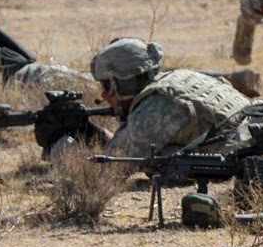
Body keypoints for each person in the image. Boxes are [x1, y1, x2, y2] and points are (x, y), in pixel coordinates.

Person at [92, 37, 252, 159]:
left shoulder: (155, 108)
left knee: (162, 162)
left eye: (106, 86)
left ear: (123, 84)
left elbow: (112, 166)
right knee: (167, 156)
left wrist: (88, 137)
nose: (104, 95)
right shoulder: (182, 76)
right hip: (257, 130)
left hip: (248, 152)